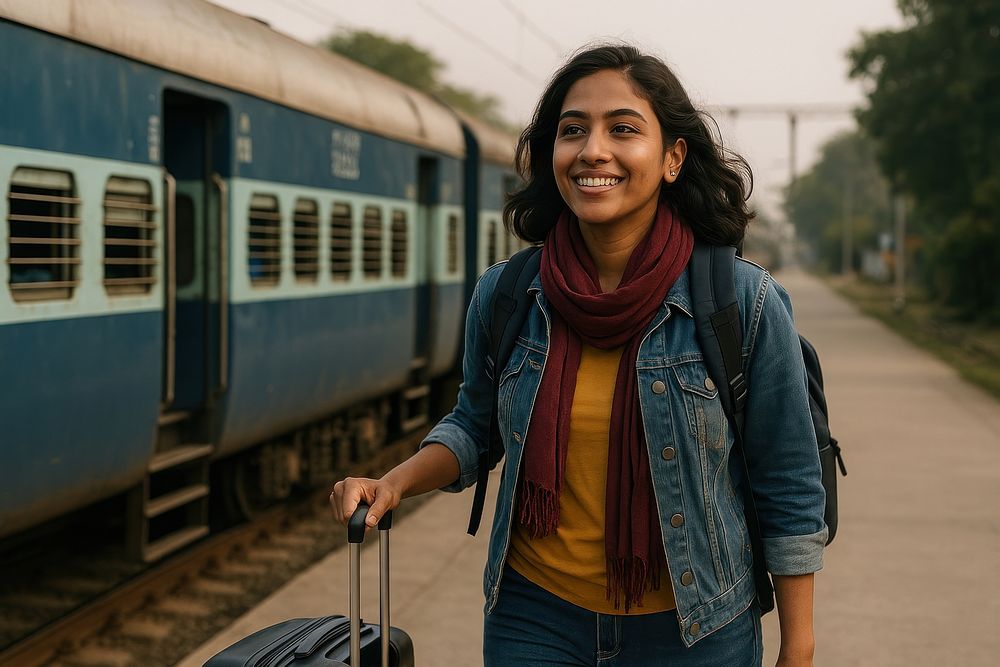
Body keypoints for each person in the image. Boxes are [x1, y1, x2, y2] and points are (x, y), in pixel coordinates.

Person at [330, 44, 827, 667]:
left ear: (672, 157)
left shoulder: (742, 301)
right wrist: (394, 482)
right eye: (572, 131)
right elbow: (474, 426)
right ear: (552, 157)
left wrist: (799, 645)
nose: (593, 150)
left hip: (697, 627)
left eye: (623, 129)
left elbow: (787, 477)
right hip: (535, 618)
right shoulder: (509, 293)